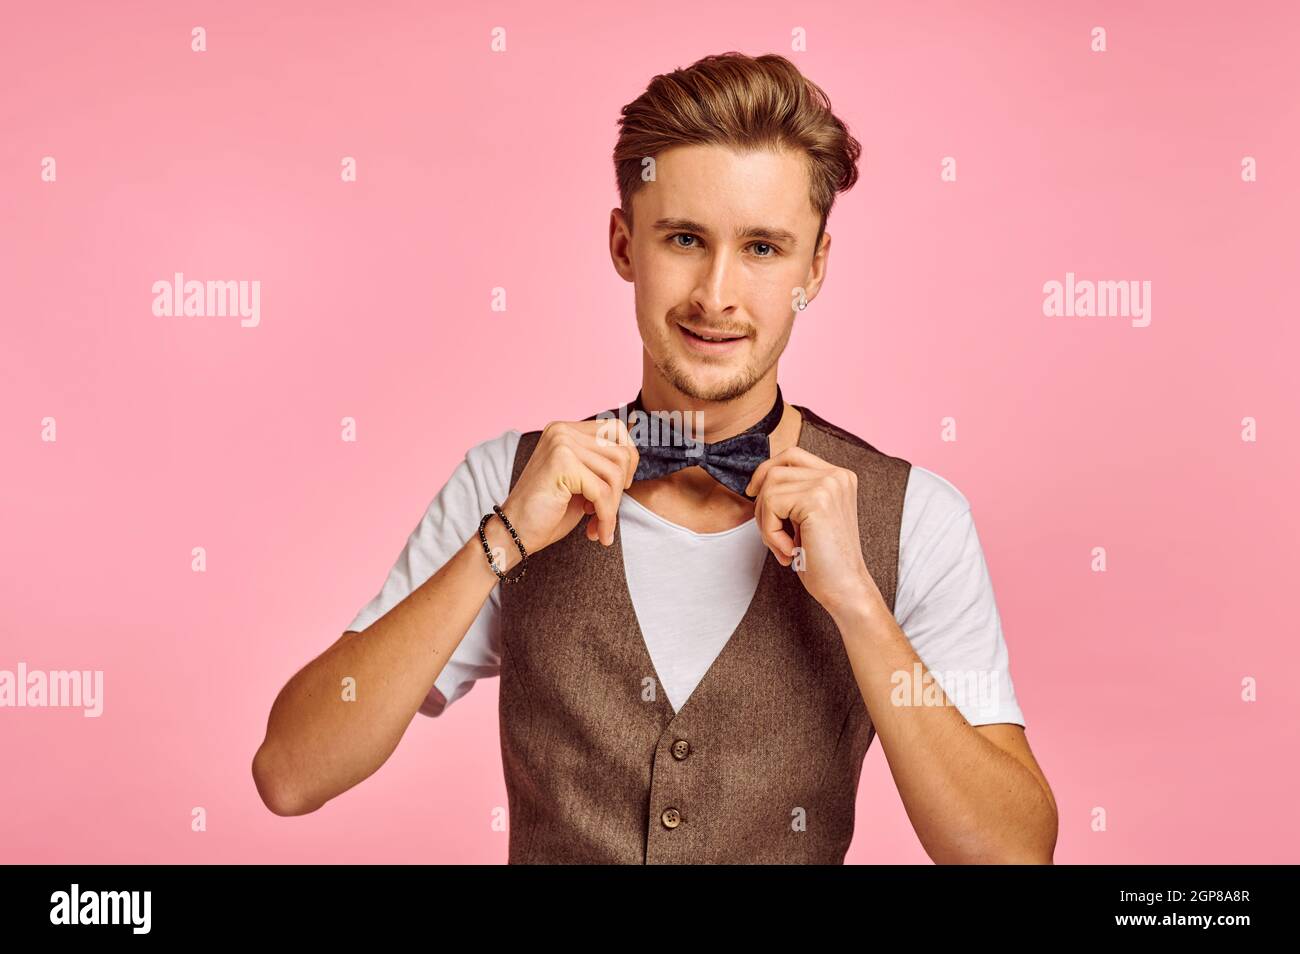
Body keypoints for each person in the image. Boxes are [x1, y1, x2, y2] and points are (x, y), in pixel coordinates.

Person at [252, 51, 1058, 864]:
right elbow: (291, 774)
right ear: (623, 244)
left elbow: (1013, 856)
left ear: (814, 267)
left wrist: (858, 605)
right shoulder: (506, 481)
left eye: (764, 249)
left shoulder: (916, 518)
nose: (716, 293)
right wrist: (499, 544)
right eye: (684, 238)